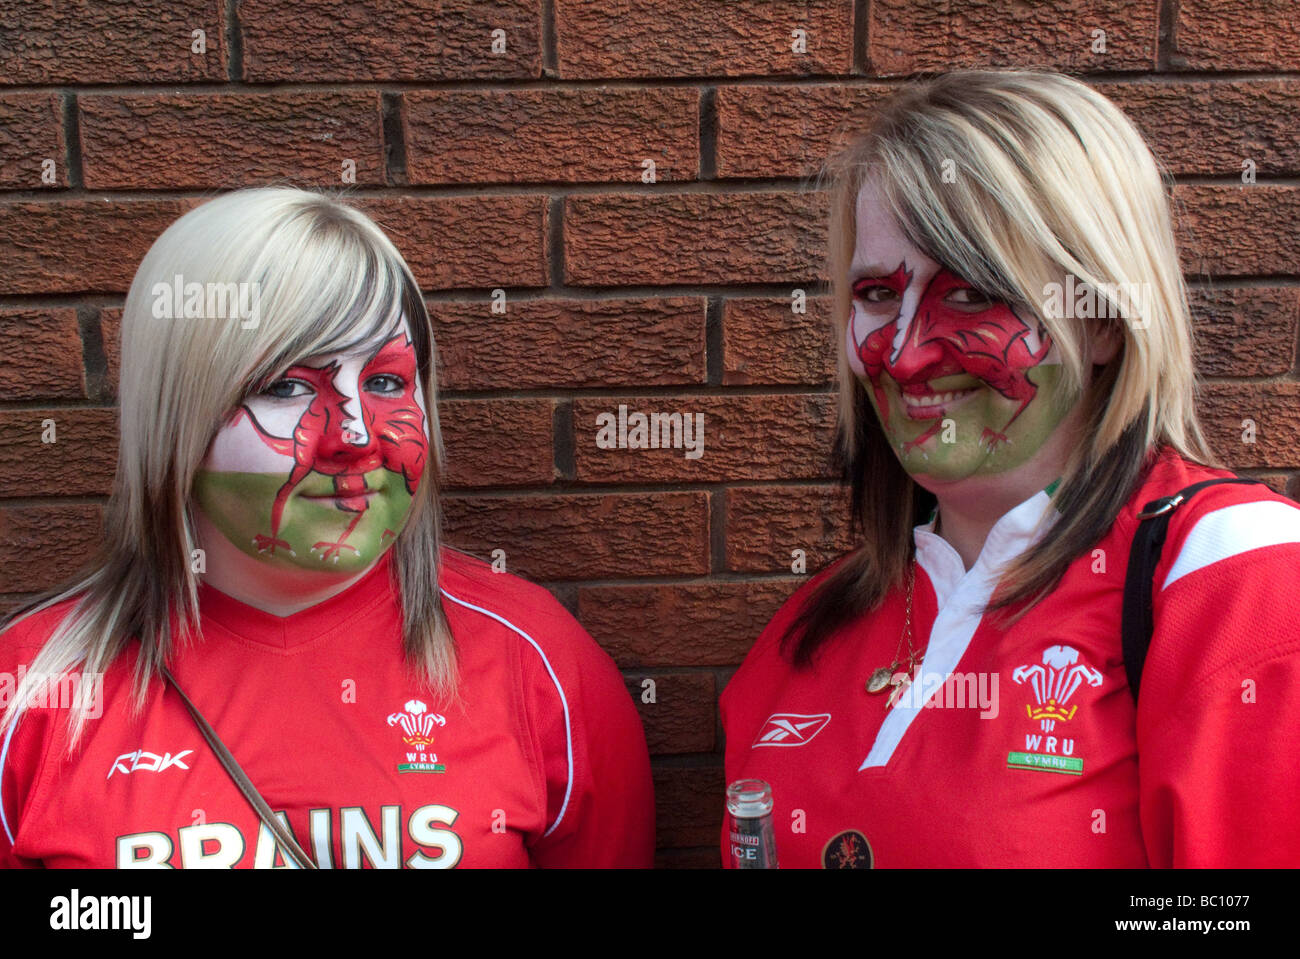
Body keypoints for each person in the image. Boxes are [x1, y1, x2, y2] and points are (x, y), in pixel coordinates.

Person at [720, 70, 1300, 868]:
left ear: (1102, 321)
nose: (905, 350)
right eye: (879, 293)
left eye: (971, 294)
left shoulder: (1234, 576)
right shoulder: (809, 628)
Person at [0, 187, 655, 868]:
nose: (353, 436)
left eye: (385, 381)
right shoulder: (33, 690)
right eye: (287, 385)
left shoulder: (538, 662)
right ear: (175, 415)